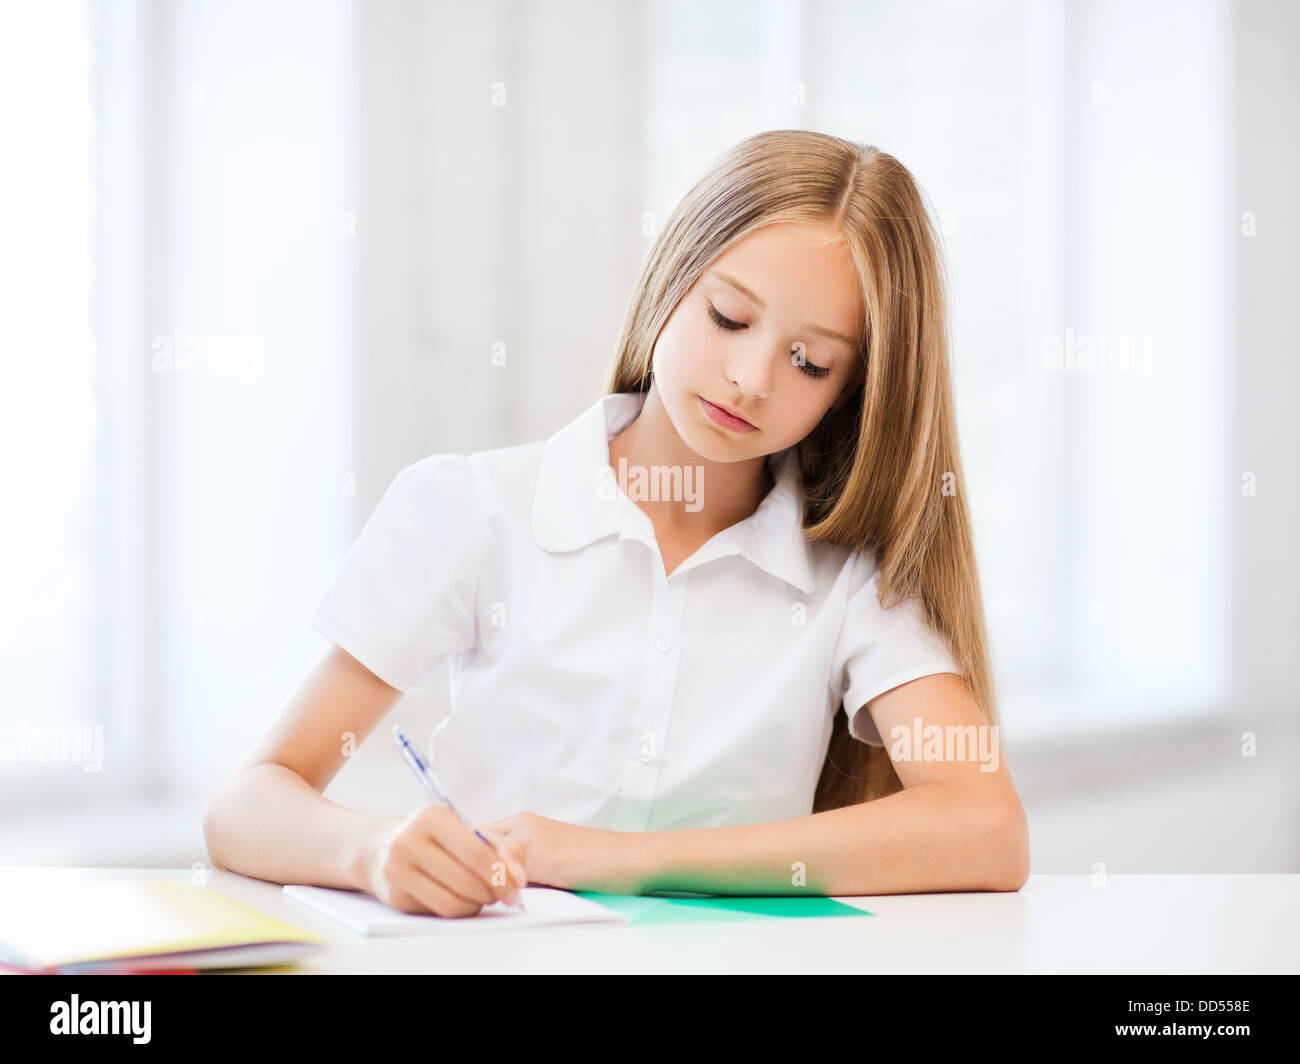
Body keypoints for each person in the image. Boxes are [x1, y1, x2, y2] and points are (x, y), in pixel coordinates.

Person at [203, 130, 1029, 916]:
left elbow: (986, 830)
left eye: (809, 362)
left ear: (850, 392)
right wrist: (373, 852)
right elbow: (247, 804)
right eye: (730, 318)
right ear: (673, 277)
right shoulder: (476, 509)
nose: (748, 378)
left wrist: (614, 859)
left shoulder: (850, 577)